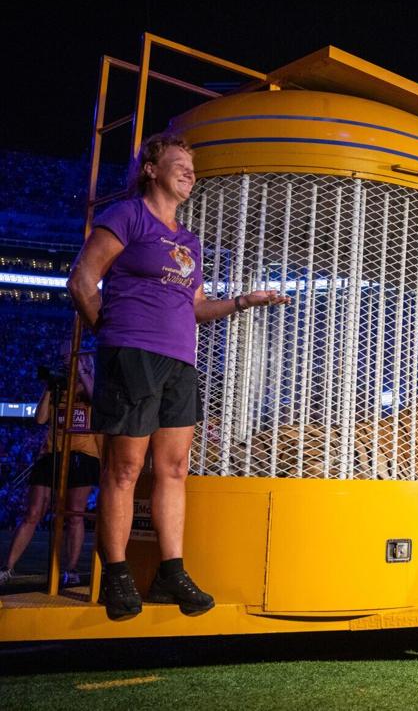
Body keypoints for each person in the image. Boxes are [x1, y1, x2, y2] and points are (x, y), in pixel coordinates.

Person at [66, 133, 289, 620]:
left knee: (173, 469)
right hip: (132, 355)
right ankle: (117, 575)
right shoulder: (128, 215)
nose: (190, 172)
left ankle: (171, 572)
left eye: (192, 166)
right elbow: (81, 281)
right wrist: (114, 337)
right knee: (125, 468)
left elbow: (195, 307)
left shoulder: (188, 241)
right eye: (179, 163)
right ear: (150, 169)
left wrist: (243, 301)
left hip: (179, 361)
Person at [0, 348, 102, 587]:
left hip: (82, 454)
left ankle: (71, 569)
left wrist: (83, 372)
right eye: (64, 361)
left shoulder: (91, 387)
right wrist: (49, 387)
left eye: (70, 361)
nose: (66, 365)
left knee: (74, 514)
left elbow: (96, 401)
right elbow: (40, 418)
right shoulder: (58, 390)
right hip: (51, 453)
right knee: (33, 512)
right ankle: (7, 567)